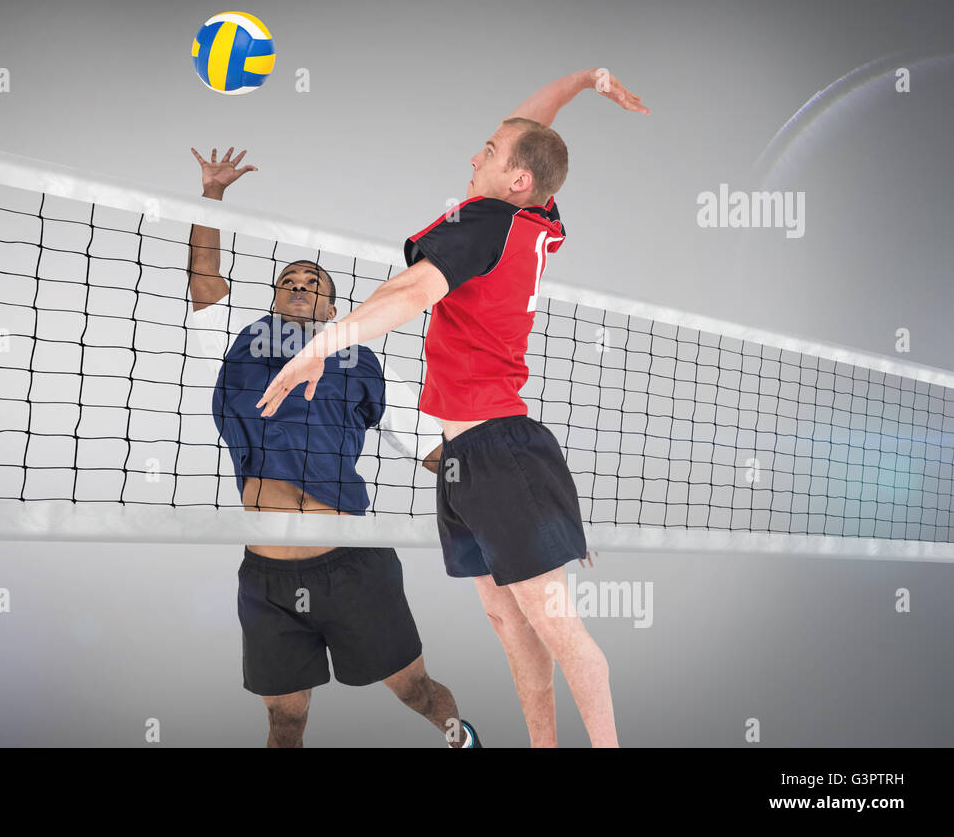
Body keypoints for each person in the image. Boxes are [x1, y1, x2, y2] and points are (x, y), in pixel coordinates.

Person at [255, 68, 649, 747]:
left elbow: (409, 291)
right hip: (469, 458)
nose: (476, 156)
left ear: (516, 181)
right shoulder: (531, 216)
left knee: (561, 632)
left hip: (502, 455)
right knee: (511, 626)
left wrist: (324, 342)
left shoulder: (483, 221)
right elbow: (528, 135)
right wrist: (581, 81)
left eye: (487, 153)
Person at [184, 147, 480, 748]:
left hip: (352, 565)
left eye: (311, 282)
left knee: (419, 694)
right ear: (273, 299)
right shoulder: (241, 343)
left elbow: (431, 452)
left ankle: (464, 740)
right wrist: (212, 193)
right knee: (284, 722)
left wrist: (508, 502)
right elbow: (204, 273)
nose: (298, 286)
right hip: (264, 576)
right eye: (287, 281)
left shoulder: (364, 363)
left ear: (332, 306)